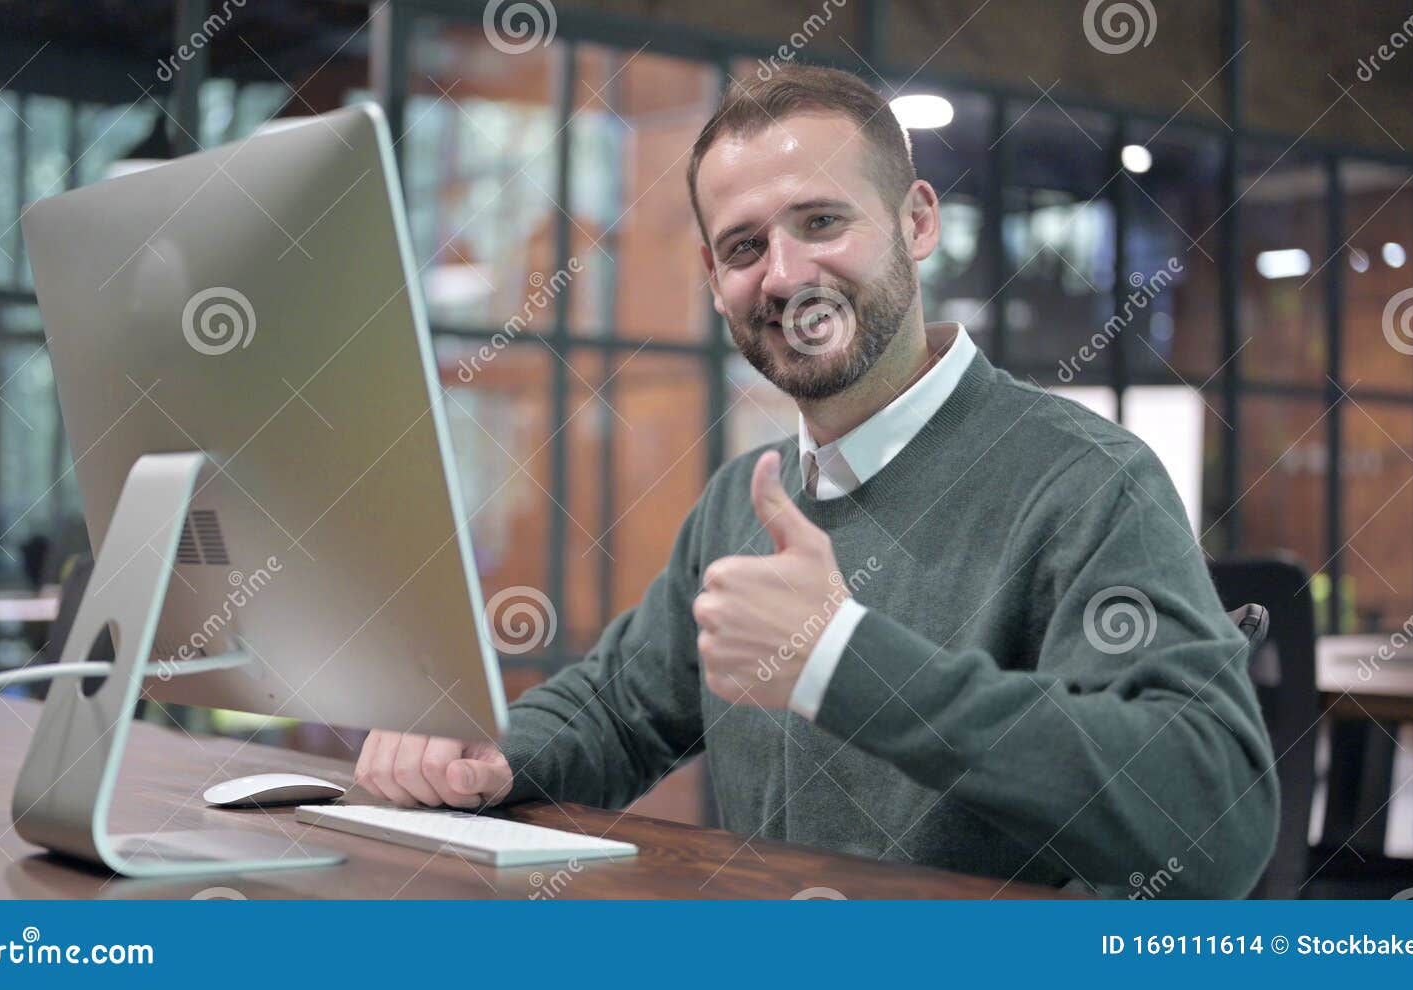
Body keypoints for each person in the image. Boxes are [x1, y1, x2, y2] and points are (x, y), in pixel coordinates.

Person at [355, 64, 1279, 898]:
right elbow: (622, 711)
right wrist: (490, 759)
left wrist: (842, 658)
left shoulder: (1087, 482)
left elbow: (1215, 822)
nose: (788, 274)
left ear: (918, 223)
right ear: (715, 279)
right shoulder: (743, 502)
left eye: (822, 222)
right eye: (746, 246)